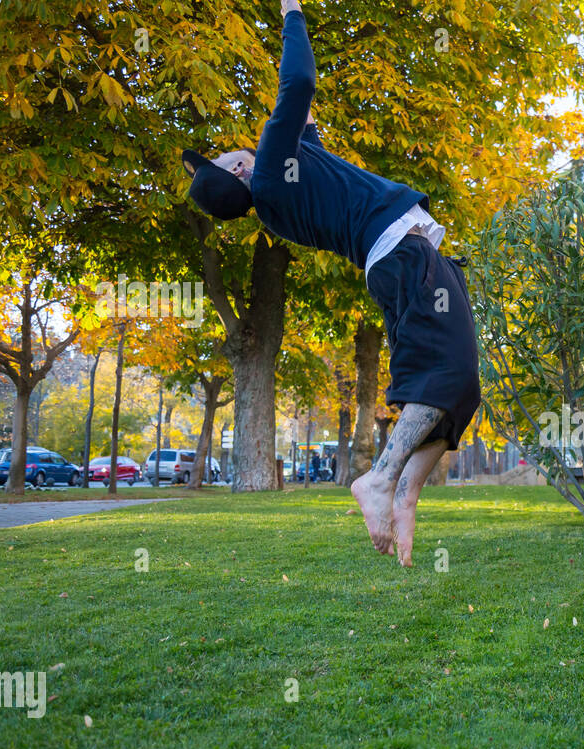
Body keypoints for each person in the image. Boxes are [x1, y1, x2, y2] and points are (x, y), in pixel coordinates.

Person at [179, 0, 479, 567]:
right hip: (400, 256)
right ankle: (379, 480)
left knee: (462, 384)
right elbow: (297, 82)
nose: (231, 149)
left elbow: (307, 119)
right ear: (237, 171)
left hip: (401, 258)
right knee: (444, 373)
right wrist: (293, 12)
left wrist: (304, 113)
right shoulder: (269, 171)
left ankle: (407, 494)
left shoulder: (279, 192)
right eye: (224, 156)